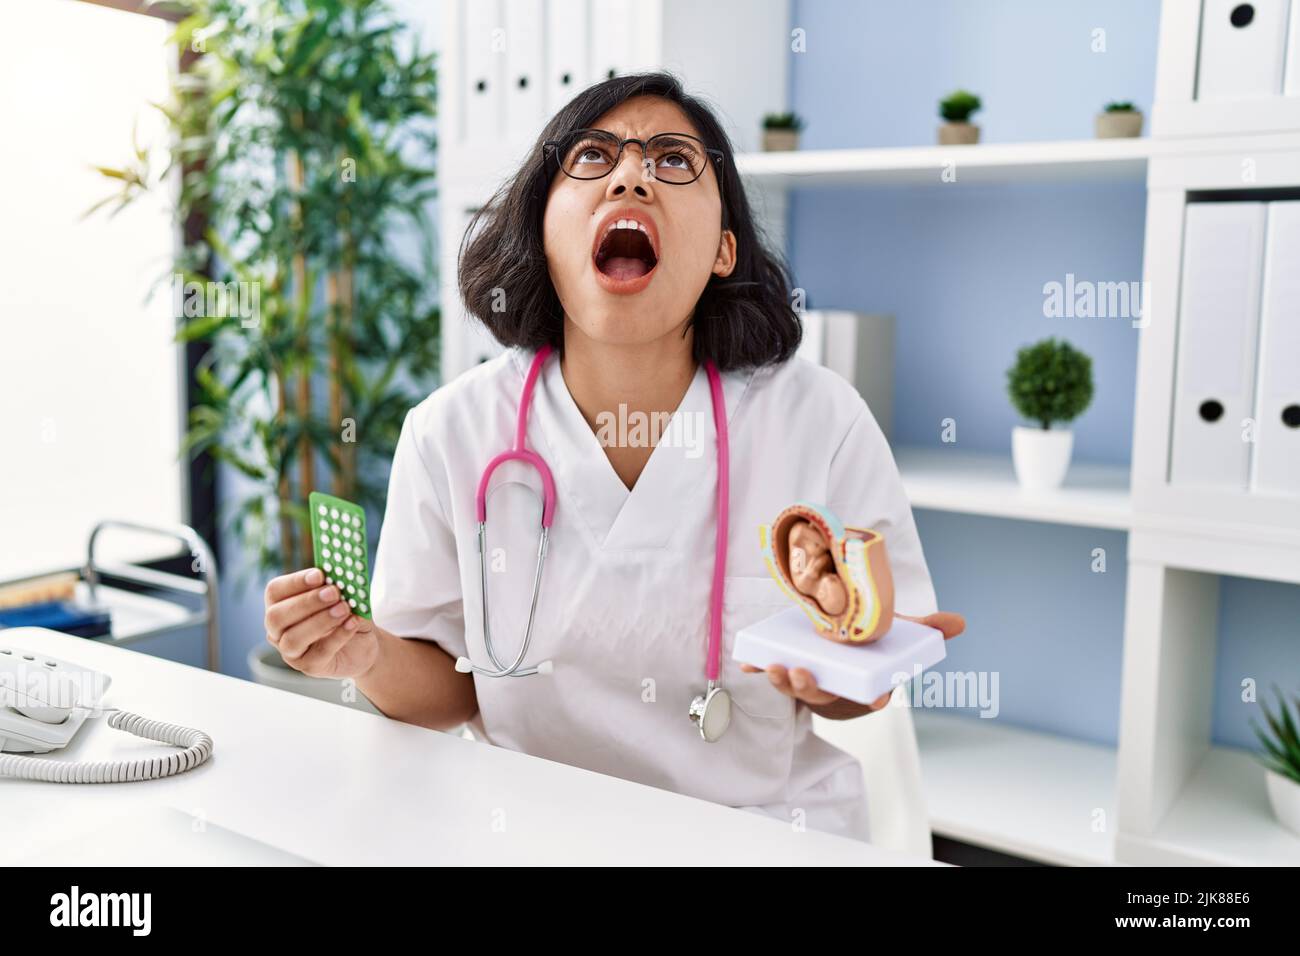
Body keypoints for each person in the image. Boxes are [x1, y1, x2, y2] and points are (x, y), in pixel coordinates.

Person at [263, 71, 964, 842]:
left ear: (725, 247)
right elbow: (446, 692)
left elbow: (870, 678)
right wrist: (362, 653)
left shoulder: (818, 418)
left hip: (757, 830)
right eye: (594, 159)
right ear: (542, 232)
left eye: (672, 160)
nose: (631, 174)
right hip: (530, 832)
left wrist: (835, 682)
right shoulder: (450, 434)